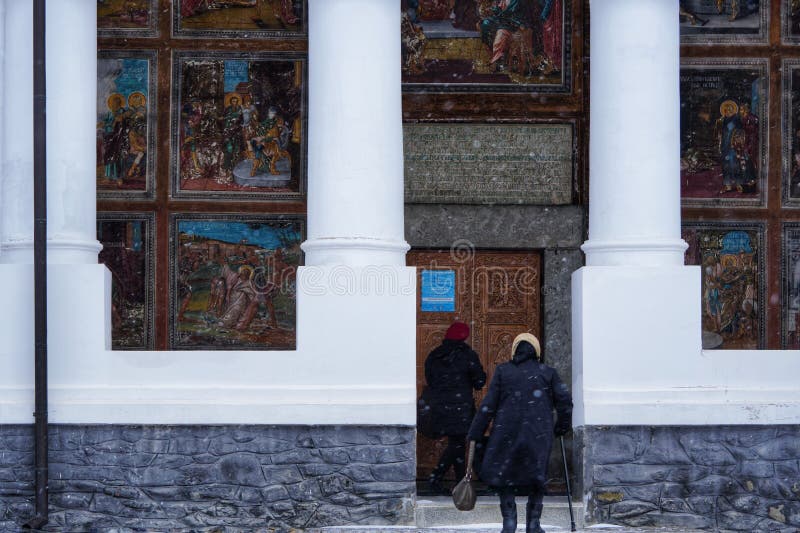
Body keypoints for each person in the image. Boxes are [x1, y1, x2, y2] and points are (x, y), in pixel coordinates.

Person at [468, 333, 572, 533]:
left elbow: (488, 405)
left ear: (515, 350)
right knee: (536, 476)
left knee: (506, 475)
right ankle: (533, 524)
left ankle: (509, 522)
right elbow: (565, 403)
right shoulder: (548, 372)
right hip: (538, 434)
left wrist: (475, 432)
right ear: (537, 351)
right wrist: (561, 427)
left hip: (506, 432)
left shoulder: (503, 371)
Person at [424, 321, 486, 494]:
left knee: (456, 443)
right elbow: (479, 381)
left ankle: (458, 482)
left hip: (440, 407)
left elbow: (430, 378)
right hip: (461, 409)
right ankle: (436, 477)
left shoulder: (435, 355)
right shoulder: (467, 355)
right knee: (457, 444)